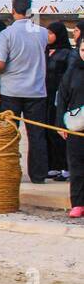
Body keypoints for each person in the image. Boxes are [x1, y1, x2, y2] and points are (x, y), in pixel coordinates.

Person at [0, 0, 50, 183]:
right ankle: (39, 175)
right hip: (37, 91)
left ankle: (8, 173)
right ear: (29, 11)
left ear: (12, 10)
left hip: (11, 91)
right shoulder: (41, 32)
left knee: (9, 133)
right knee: (37, 135)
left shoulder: (6, 34)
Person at [55, 35, 84, 218]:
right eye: (82, 50)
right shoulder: (72, 71)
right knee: (77, 166)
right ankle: (78, 203)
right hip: (76, 127)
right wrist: (61, 125)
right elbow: (62, 99)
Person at [44, 20, 72, 181]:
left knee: (59, 130)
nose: (48, 36)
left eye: (51, 33)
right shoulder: (46, 51)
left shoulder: (68, 53)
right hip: (45, 95)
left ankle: (65, 167)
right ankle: (53, 165)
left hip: (59, 96)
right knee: (47, 130)